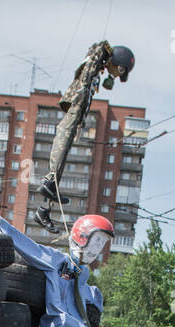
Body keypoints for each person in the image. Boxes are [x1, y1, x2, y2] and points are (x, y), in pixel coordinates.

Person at [34, 41, 135, 233]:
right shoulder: (98, 58)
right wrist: (101, 57)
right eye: (120, 71)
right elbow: (91, 63)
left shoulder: (99, 69)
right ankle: (49, 183)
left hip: (78, 111)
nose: (117, 75)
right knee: (62, 146)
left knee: (62, 159)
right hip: (75, 107)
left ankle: (43, 209)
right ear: (119, 64)